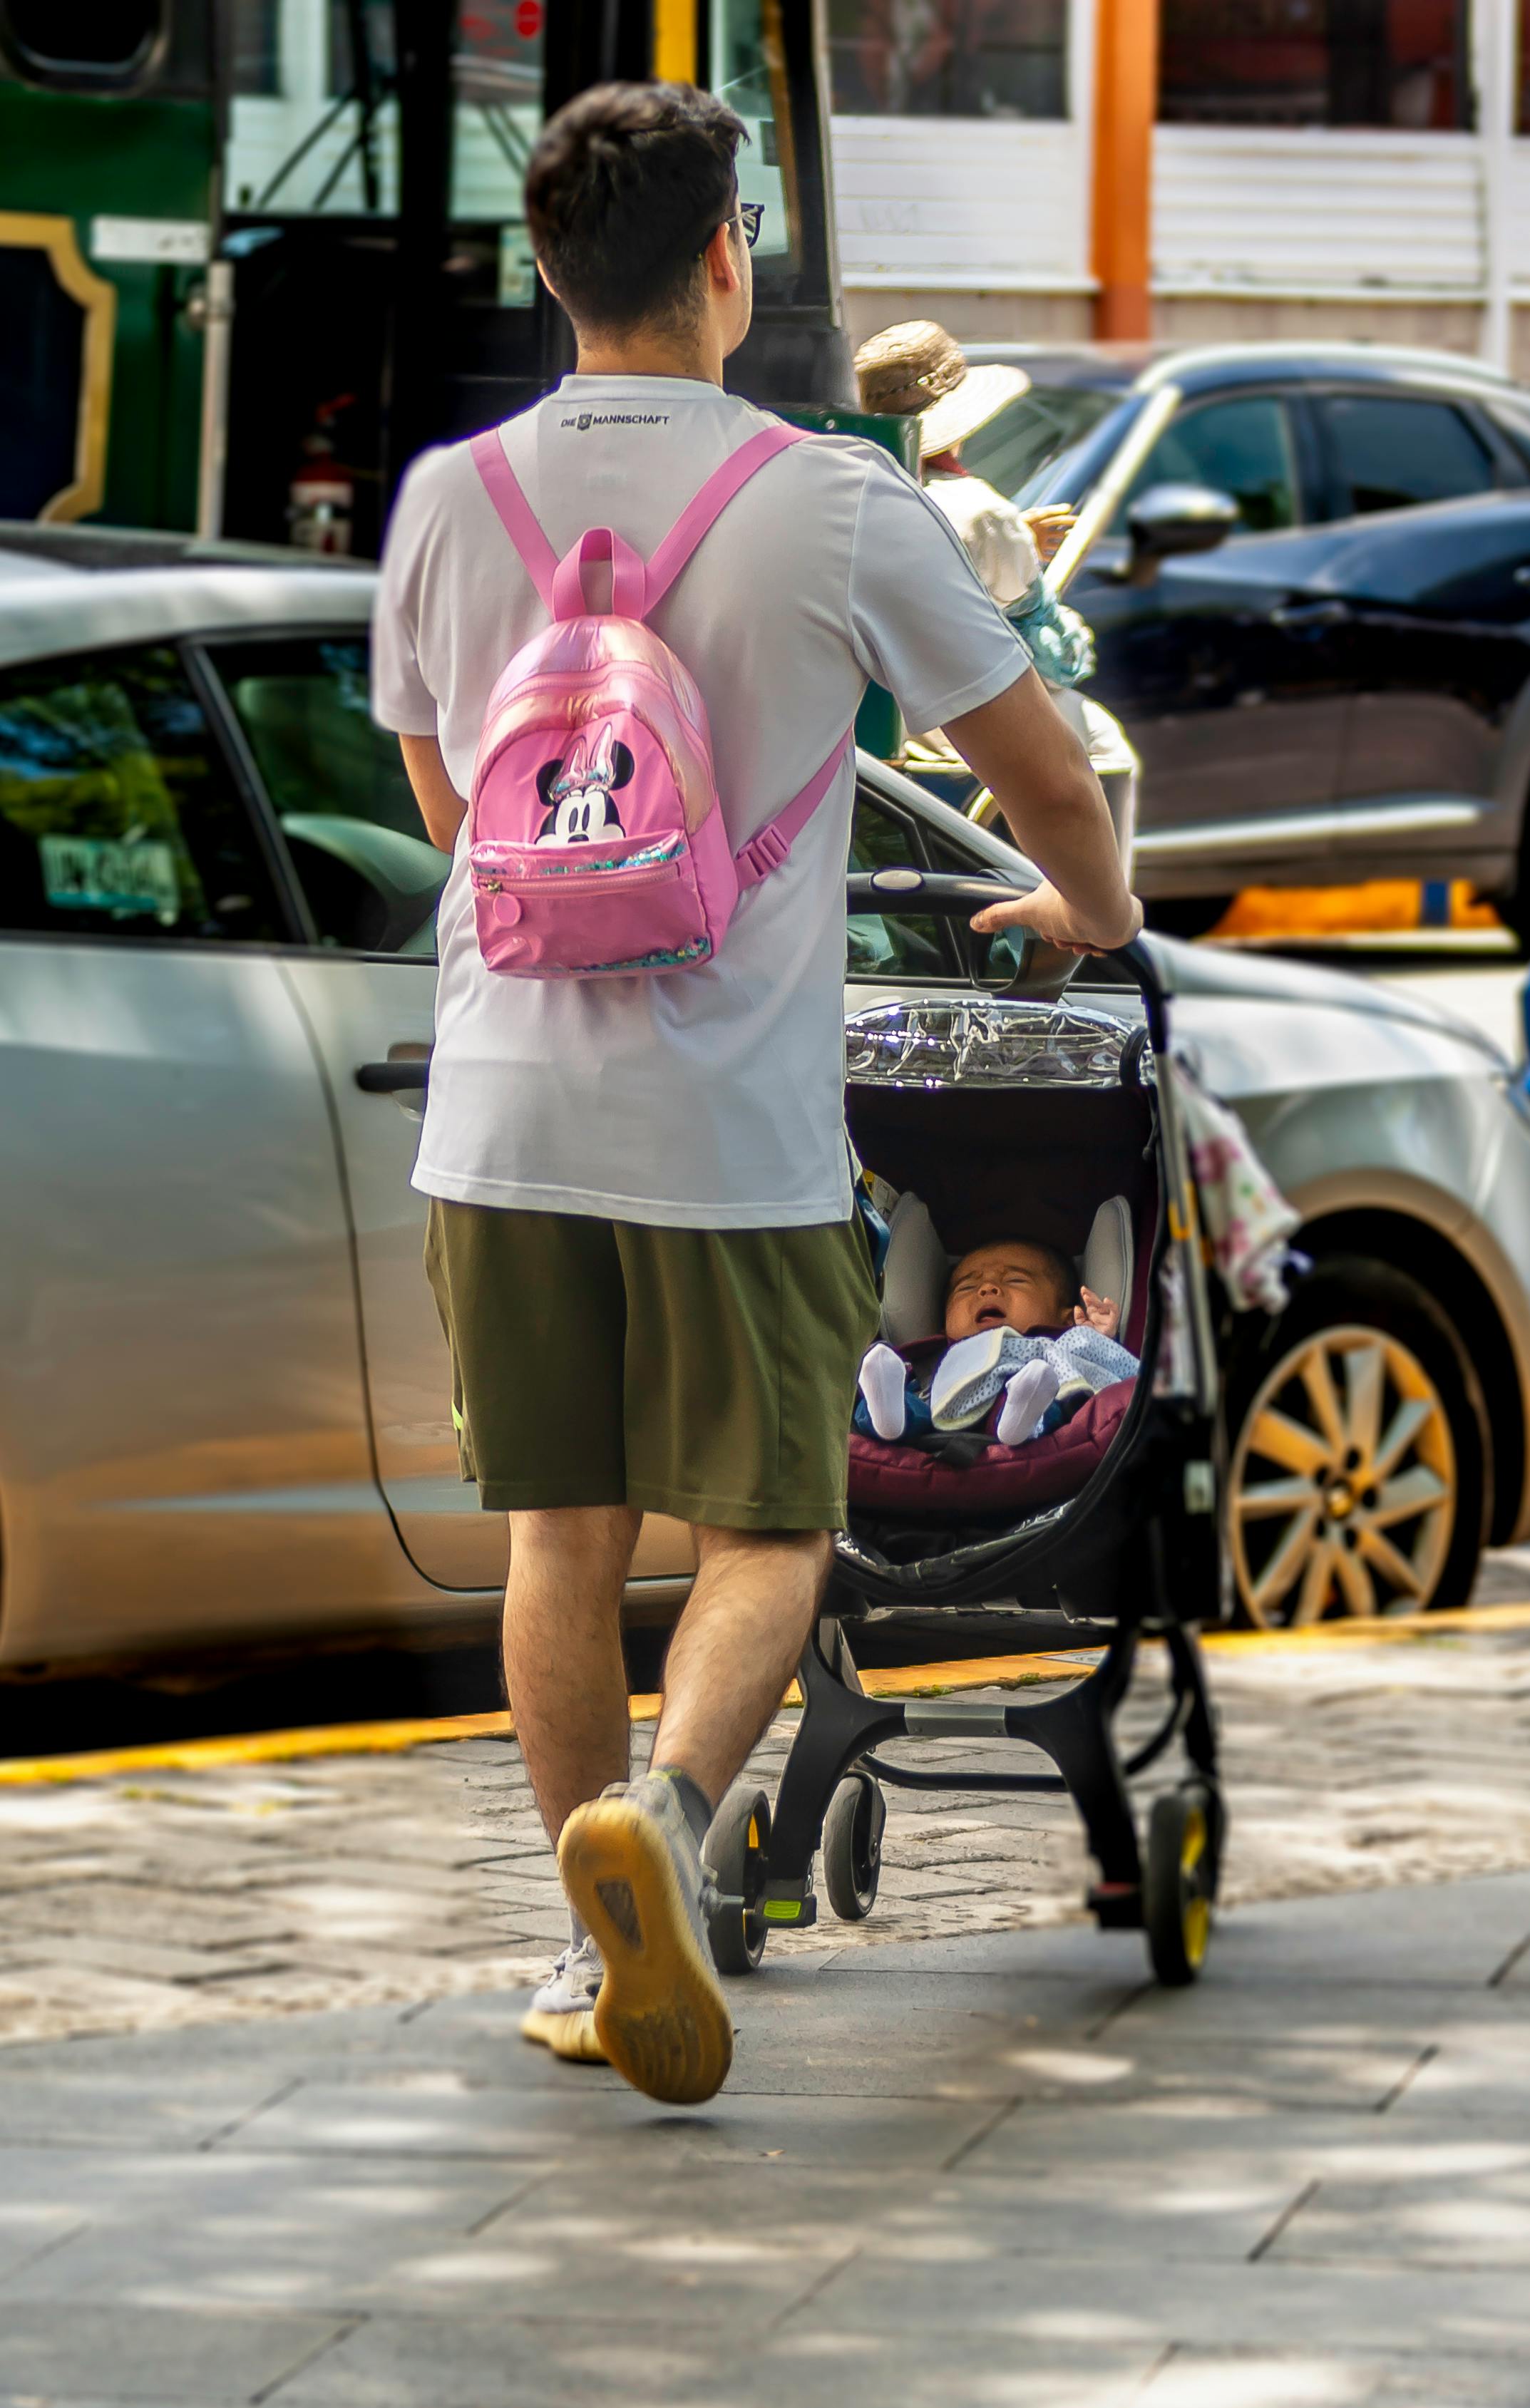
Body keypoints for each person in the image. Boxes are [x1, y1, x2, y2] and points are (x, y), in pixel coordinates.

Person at [372, 80, 1141, 2109]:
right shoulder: (835, 500)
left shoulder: (448, 499)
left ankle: (587, 1941)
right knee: (772, 1526)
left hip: (501, 1113)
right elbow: (1041, 767)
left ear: (547, 267)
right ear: (730, 259)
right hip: (728, 1127)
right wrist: (1087, 909)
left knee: (559, 1531)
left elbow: (450, 810)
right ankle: (668, 1818)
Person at [854, 319, 1139, 866]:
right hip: (958, 711)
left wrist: (1014, 540)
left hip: (886, 707)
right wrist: (1021, 556)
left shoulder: (864, 490)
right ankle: (1089, 900)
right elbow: (1053, 661)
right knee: (1105, 741)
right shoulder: (983, 512)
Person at [855, 1238, 1136, 1450]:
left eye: (1016, 1280)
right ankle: (889, 1416)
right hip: (934, 1405)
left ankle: (1020, 1422)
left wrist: (1097, 1336)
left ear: (1065, 1318)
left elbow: (1097, 1364)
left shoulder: (1055, 1347)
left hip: (1022, 1397)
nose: (987, 1288)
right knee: (901, 1398)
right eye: (967, 1287)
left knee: (1046, 1393)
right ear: (944, 1323)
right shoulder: (937, 1357)